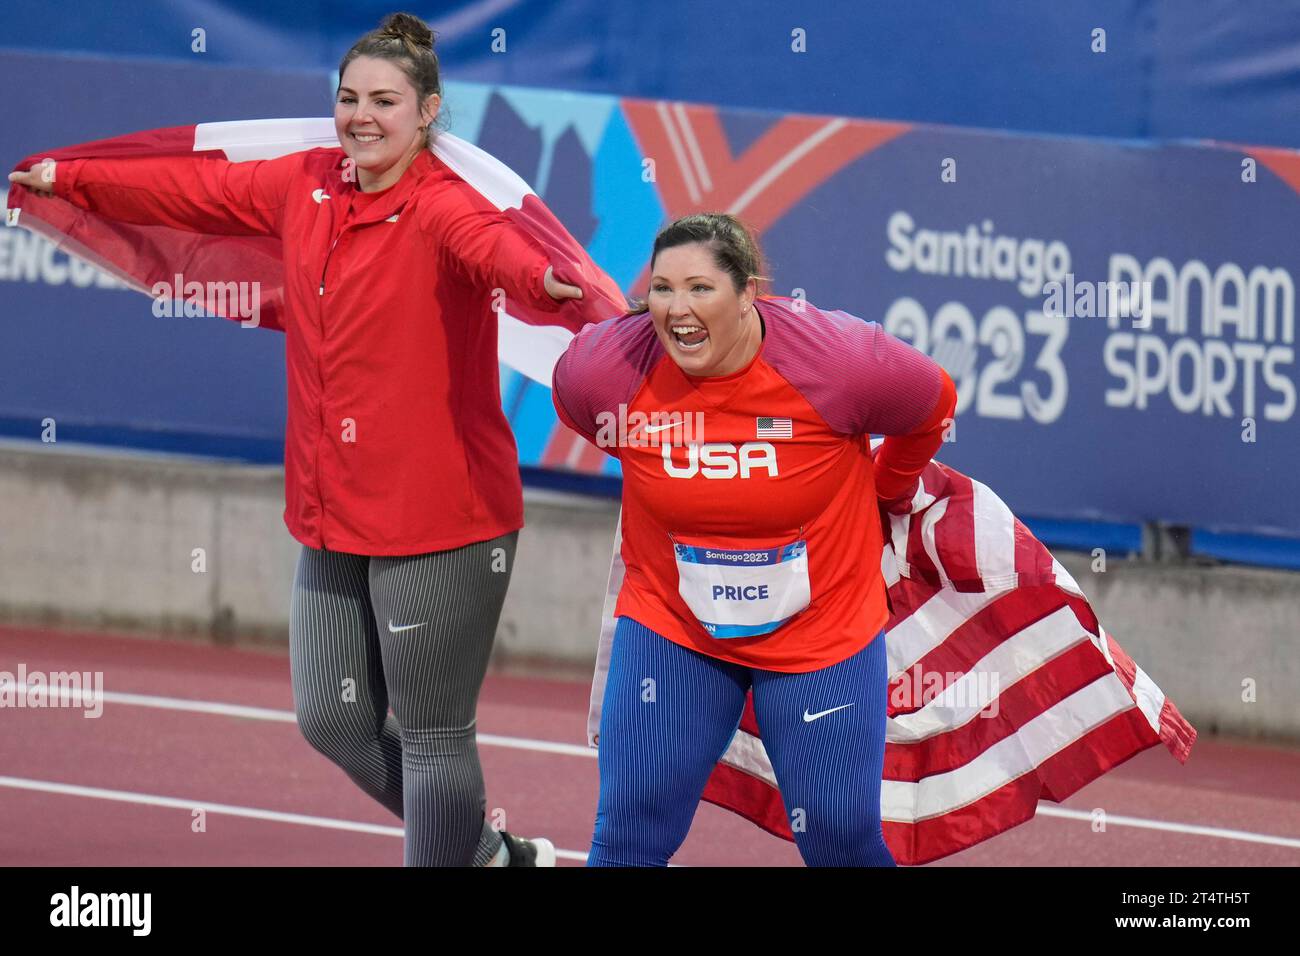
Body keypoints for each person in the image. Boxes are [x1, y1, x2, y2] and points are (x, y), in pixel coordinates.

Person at [8, 12, 589, 867]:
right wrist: (76, 177)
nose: (362, 115)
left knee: (432, 738)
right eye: (349, 97)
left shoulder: (443, 209)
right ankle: (491, 855)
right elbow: (187, 190)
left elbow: (498, 251)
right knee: (333, 720)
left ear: (427, 112)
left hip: (442, 521)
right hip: (330, 510)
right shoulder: (304, 184)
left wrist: (547, 278)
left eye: (385, 102)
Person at [551, 212, 958, 866]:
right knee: (628, 832)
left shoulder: (840, 361)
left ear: (749, 294)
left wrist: (889, 487)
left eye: (700, 289)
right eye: (661, 289)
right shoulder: (603, 372)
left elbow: (933, 402)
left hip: (820, 631)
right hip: (674, 627)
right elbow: (585, 413)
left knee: (838, 839)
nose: (678, 310)